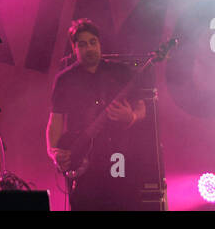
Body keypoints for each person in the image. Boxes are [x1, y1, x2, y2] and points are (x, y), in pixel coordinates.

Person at [47, 19, 148, 210]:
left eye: (93, 42)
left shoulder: (120, 72)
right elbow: (56, 122)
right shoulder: (64, 80)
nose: (89, 48)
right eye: (82, 44)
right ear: (74, 48)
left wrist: (131, 117)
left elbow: (142, 108)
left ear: (100, 43)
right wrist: (54, 153)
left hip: (119, 156)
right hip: (84, 163)